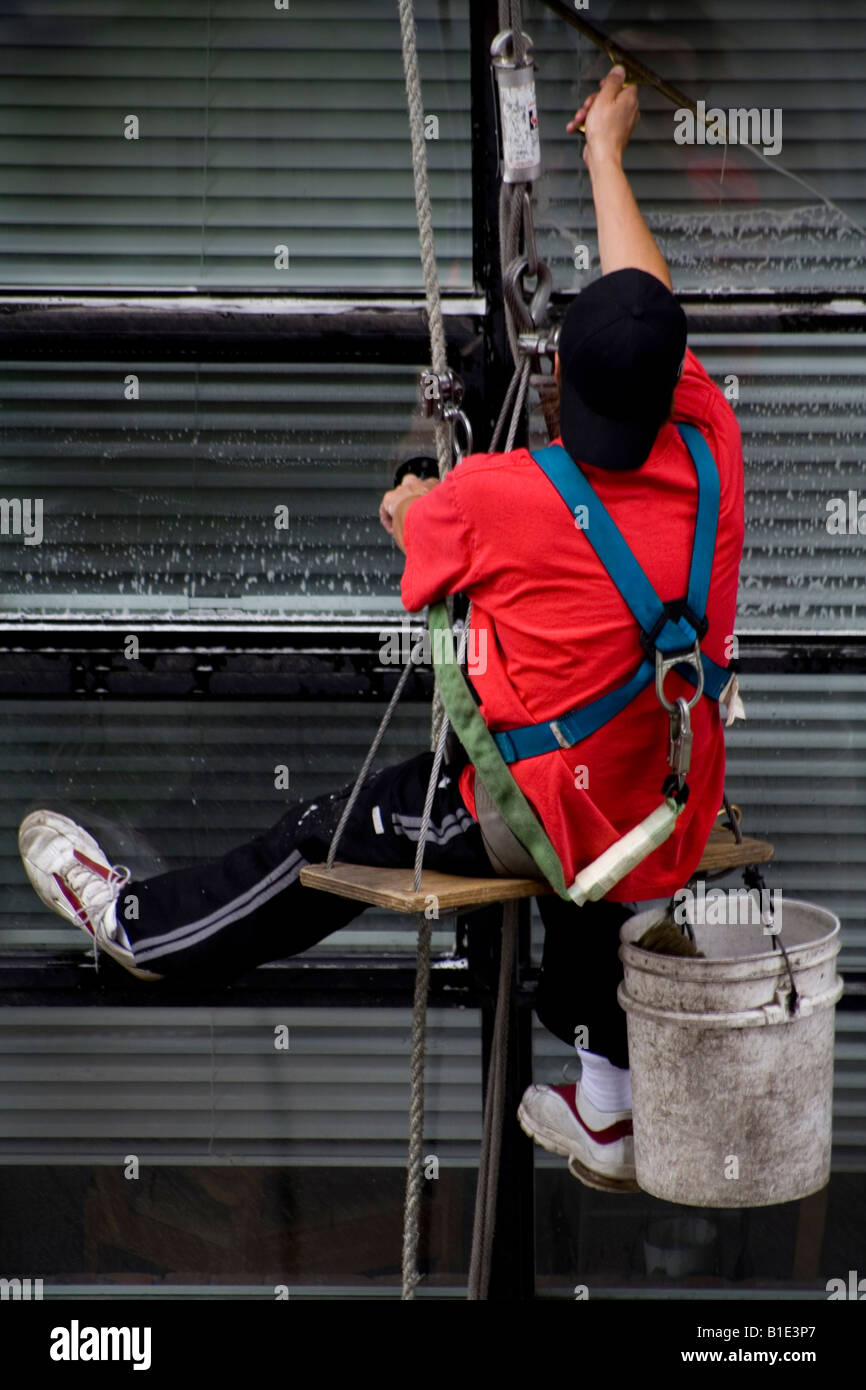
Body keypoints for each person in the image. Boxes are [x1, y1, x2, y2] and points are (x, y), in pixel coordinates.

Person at [17, 68, 743, 1194]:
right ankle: (606, 1107)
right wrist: (607, 151)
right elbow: (644, 292)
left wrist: (418, 469)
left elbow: (411, 529)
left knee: (321, 841)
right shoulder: (707, 444)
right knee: (599, 876)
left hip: (547, 808)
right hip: (664, 800)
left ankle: (139, 925)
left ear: (563, 380)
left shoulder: (506, 495)